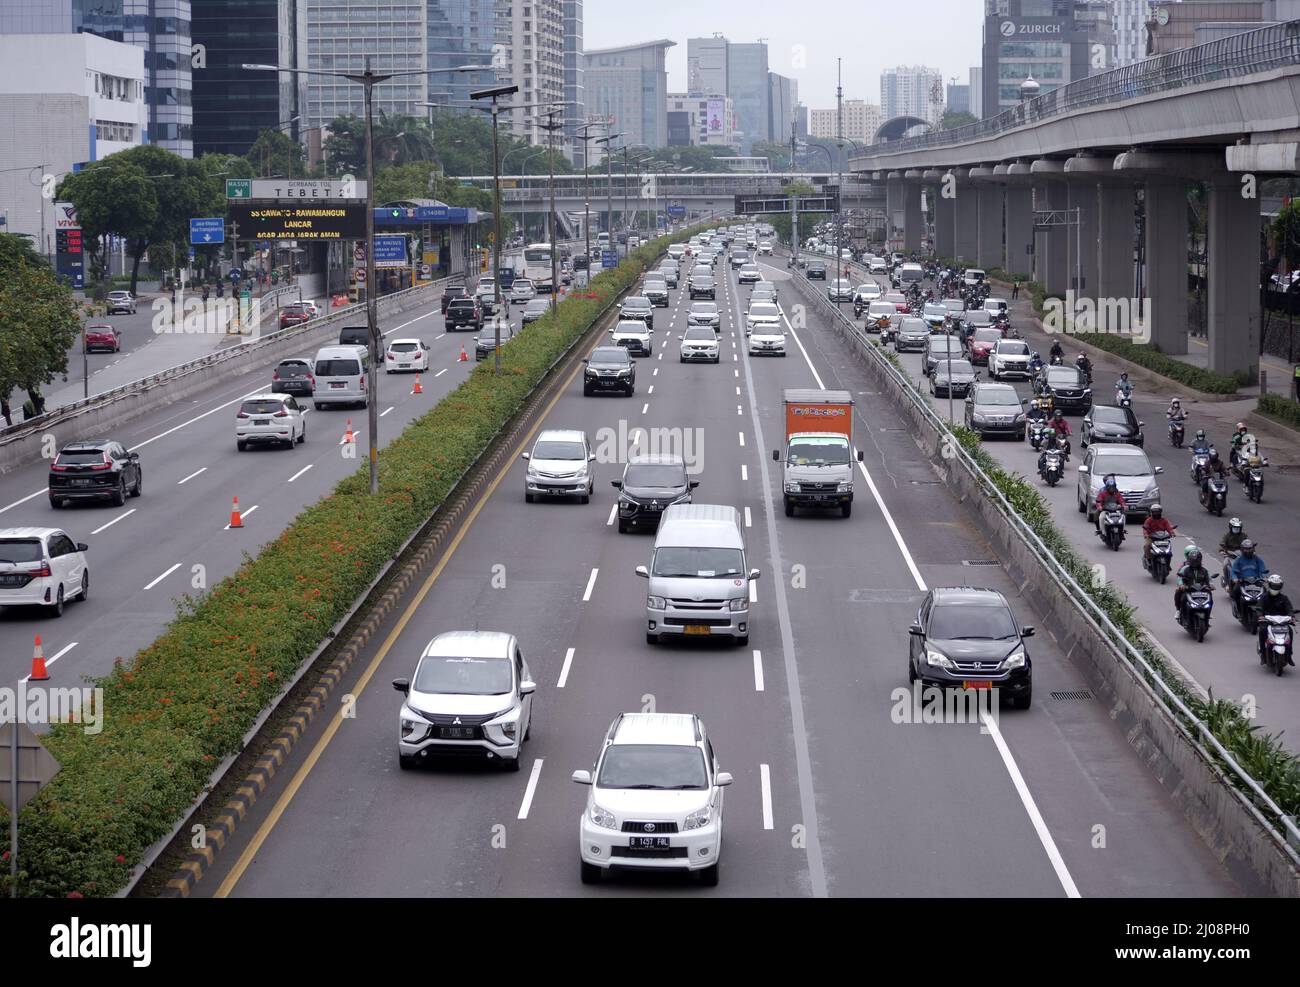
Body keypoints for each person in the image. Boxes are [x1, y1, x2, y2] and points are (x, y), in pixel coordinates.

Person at [1258, 574, 1296, 664]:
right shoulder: (1264, 597)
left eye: (1277, 586)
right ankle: (1263, 655)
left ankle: (1289, 655)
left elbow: (1289, 609)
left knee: (1290, 631)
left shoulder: (1284, 598)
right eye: (1274, 586)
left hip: (1282, 622)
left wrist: (1292, 617)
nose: (1275, 588)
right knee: (1262, 631)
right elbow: (1259, 608)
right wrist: (1260, 615)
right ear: (1269, 585)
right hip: (1268, 621)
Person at [1229, 539, 1269, 611]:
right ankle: (1238, 608)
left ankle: (1265, 610)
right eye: (1246, 549)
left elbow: (1262, 569)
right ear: (1242, 549)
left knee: (1265, 592)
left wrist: (1265, 577)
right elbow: (1233, 571)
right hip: (1242, 582)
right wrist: (1235, 579)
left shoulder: (1257, 559)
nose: (1248, 551)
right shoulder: (1239, 560)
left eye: (1250, 549)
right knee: (1235, 591)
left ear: (1253, 549)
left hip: (1256, 581)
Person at [1174, 546, 1213, 617]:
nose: (1195, 563)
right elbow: (1179, 577)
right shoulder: (1184, 569)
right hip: (1188, 589)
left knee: (1210, 596)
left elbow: (1208, 579)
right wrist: (1181, 585)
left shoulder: (1204, 570)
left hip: (1202, 589)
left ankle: (1208, 613)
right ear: (1189, 560)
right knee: (1180, 595)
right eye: (1193, 561)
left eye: (1196, 561)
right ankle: (1178, 610)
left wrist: (1210, 585)